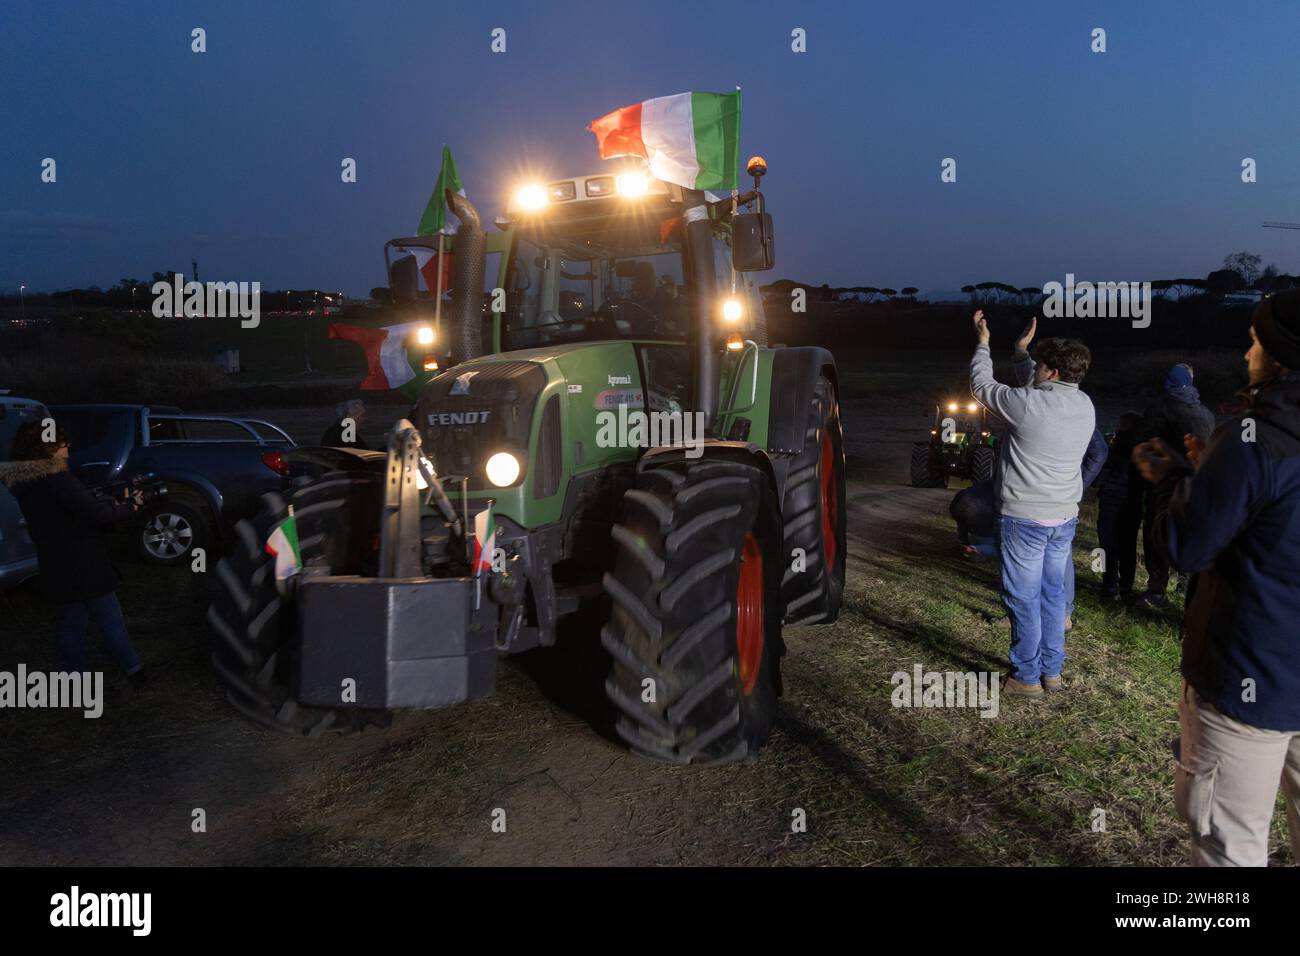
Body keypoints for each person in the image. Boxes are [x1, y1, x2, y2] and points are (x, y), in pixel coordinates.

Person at [1133, 290, 1300, 866]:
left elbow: (1187, 545)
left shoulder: (1254, 437)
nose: (1248, 351)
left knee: (1229, 848)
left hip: (1250, 679)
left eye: (1256, 341)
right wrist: (1215, 475)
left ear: (1279, 357)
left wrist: (1171, 481)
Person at [970, 311, 1096, 697]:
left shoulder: (1026, 405)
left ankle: (1026, 677)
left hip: (1024, 519)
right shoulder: (1085, 405)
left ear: (1054, 372)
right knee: (1053, 595)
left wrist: (983, 343)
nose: (1037, 370)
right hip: (1063, 519)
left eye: (1041, 365)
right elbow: (1035, 393)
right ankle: (1052, 672)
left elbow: (981, 385)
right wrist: (1023, 353)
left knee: (1022, 598)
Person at [0, 420, 145, 678]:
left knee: (72, 622)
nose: (68, 445)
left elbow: (68, 512)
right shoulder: (58, 480)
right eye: (62, 442)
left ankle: (72, 673)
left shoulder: (28, 482)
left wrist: (108, 502)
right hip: (85, 564)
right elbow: (94, 514)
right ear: (46, 447)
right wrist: (128, 507)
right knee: (111, 622)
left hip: (55, 563)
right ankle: (135, 671)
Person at [1136, 364, 1217, 609]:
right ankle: (1186, 583)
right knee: (1187, 531)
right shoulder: (1206, 413)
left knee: (1156, 533)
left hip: (1164, 483)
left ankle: (1157, 590)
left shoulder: (1160, 409)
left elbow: (1144, 443)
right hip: (1195, 483)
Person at [1094, 411, 1145, 601]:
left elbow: (1101, 475)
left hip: (1111, 500)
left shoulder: (1113, 449)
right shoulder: (1144, 449)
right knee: (1128, 546)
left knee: (1107, 545)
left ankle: (1108, 585)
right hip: (1133, 502)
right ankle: (1126, 587)